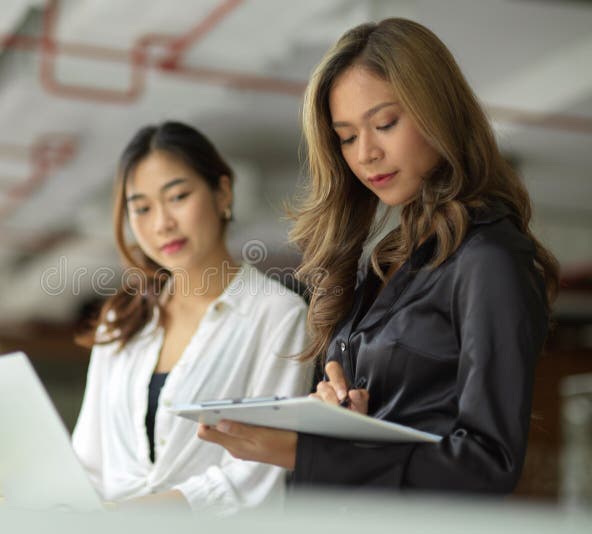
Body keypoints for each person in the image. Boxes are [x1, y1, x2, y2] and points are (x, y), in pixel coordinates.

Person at [198, 18, 558, 493]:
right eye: (346, 137)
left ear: (439, 113)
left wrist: (303, 452)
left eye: (385, 124)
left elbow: (487, 464)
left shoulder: (488, 259)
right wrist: (344, 422)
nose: (365, 153)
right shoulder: (385, 266)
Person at [71, 121, 312, 513]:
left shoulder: (277, 315)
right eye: (142, 208)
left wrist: (134, 513)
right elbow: (89, 460)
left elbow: (256, 478)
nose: (162, 223)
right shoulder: (122, 320)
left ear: (223, 193)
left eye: (178, 196)